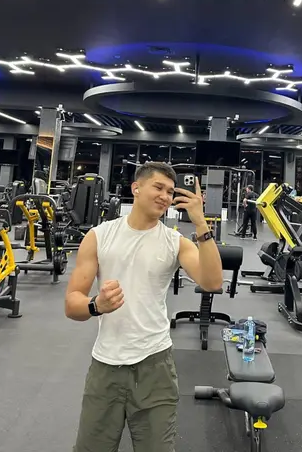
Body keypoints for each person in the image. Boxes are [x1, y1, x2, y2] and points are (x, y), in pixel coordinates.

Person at [65, 162, 223, 452]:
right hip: (106, 366)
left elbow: (212, 282)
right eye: (158, 187)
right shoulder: (100, 236)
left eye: (170, 191)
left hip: (155, 365)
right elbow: (72, 303)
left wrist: (201, 224)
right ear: (136, 188)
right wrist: (96, 305)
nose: (165, 196)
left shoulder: (175, 242)